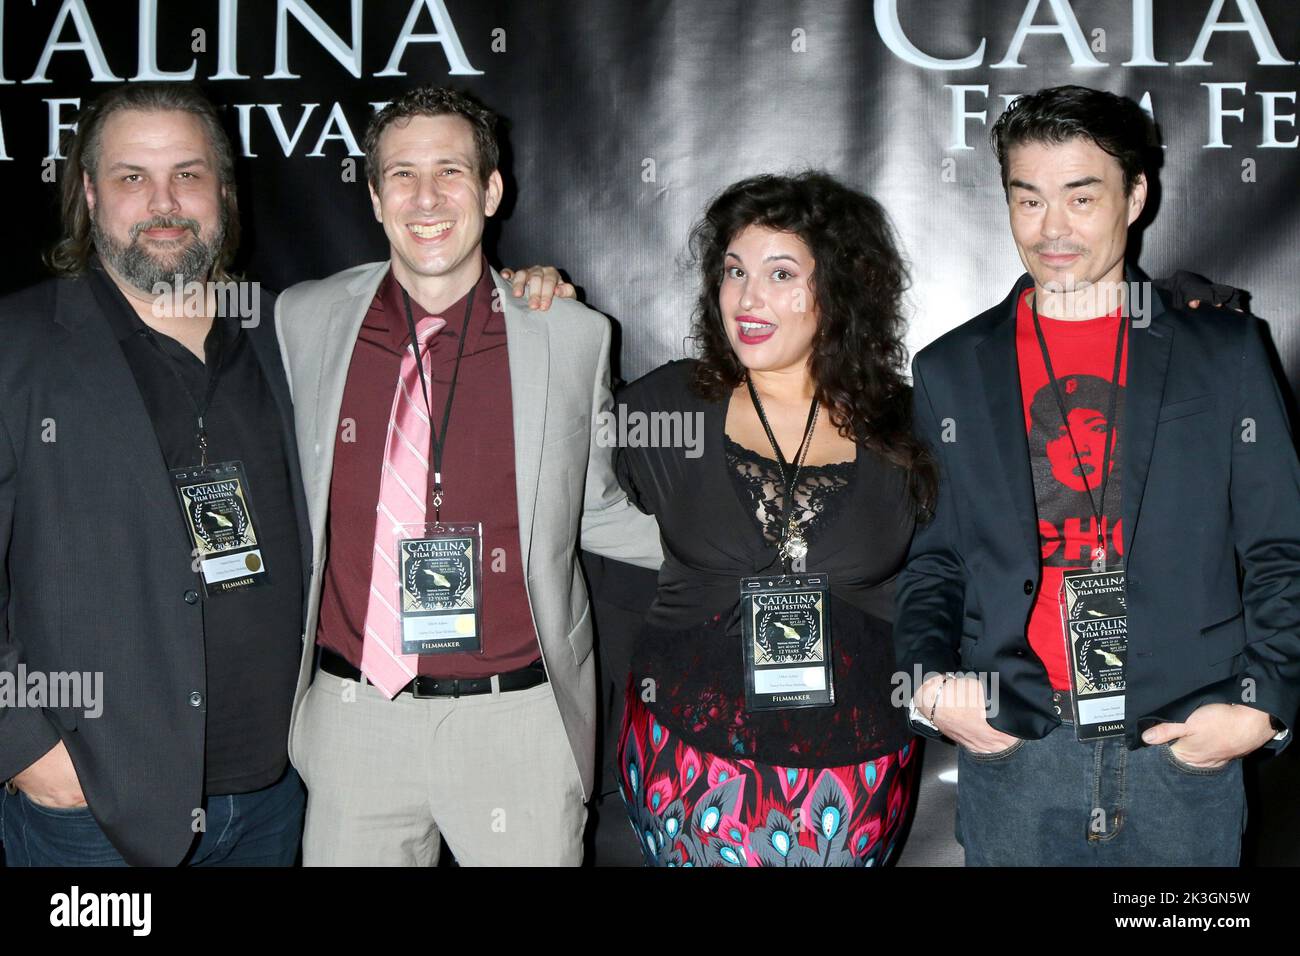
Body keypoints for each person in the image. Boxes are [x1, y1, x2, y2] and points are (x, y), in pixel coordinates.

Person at [895, 85, 1299, 866]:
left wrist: (1262, 709)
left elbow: (1282, 546)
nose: (1053, 229)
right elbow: (931, 559)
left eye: (1082, 198)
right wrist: (928, 682)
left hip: (1180, 745)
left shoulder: (1224, 352)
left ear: (1137, 194)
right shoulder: (951, 368)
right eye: (1030, 199)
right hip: (1017, 746)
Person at [274, 85, 662, 866]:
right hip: (356, 720)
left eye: (450, 172)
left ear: (491, 190)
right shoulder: (303, 319)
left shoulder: (570, 336)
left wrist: (749, 548)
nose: (426, 198)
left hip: (516, 725)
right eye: (402, 175)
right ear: (376, 196)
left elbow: (589, 509)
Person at [0, 83, 311, 866]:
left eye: (189, 174)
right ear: (89, 192)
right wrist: (25, 747)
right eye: (133, 177)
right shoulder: (15, 345)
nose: (164, 201)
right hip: (95, 812)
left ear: (224, 195)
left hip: (281, 794)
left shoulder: (290, 332)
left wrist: (518, 297)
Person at [611, 172, 931, 866]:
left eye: (780, 273)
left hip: (857, 771)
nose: (748, 298)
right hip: (687, 753)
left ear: (840, 291)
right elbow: (562, 500)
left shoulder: (908, 429)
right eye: (734, 271)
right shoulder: (666, 408)